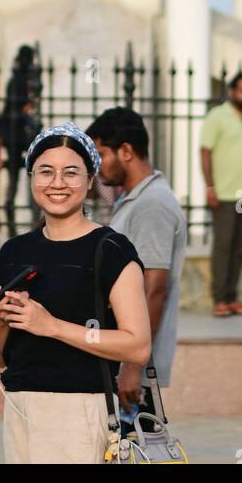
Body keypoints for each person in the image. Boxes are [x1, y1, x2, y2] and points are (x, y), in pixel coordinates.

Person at [0, 121, 150, 464]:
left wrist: (52, 326)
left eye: (70, 173)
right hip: (19, 405)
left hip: (80, 410)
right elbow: (0, 357)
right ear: (31, 177)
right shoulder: (13, 253)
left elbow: (138, 345)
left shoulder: (111, 250)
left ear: (90, 181)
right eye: (45, 171)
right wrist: (1, 319)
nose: (57, 183)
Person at [87, 107, 187, 419]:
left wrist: (132, 366)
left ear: (126, 151)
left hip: (131, 373)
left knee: (134, 449)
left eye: (101, 153)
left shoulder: (151, 206)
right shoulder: (135, 200)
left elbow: (153, 290)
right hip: (121, 359)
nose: (96, 164)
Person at [200, 72, 242, 317]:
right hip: (225, 194)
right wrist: (209, 187)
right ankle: (219, 300)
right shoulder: (217, 117)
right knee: (223, 245)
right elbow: (205, 152)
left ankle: (232, 298)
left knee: (239, 247)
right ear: (231, 92)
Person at [0, 45, 41, 236]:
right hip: (20, 135)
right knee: (31, 174)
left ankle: (14, 222)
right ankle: (30, 218)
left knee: (15, 180)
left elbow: (8, 108)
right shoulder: (22, 81)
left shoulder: (16, 79)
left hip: (13, 135)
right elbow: (21, 107)